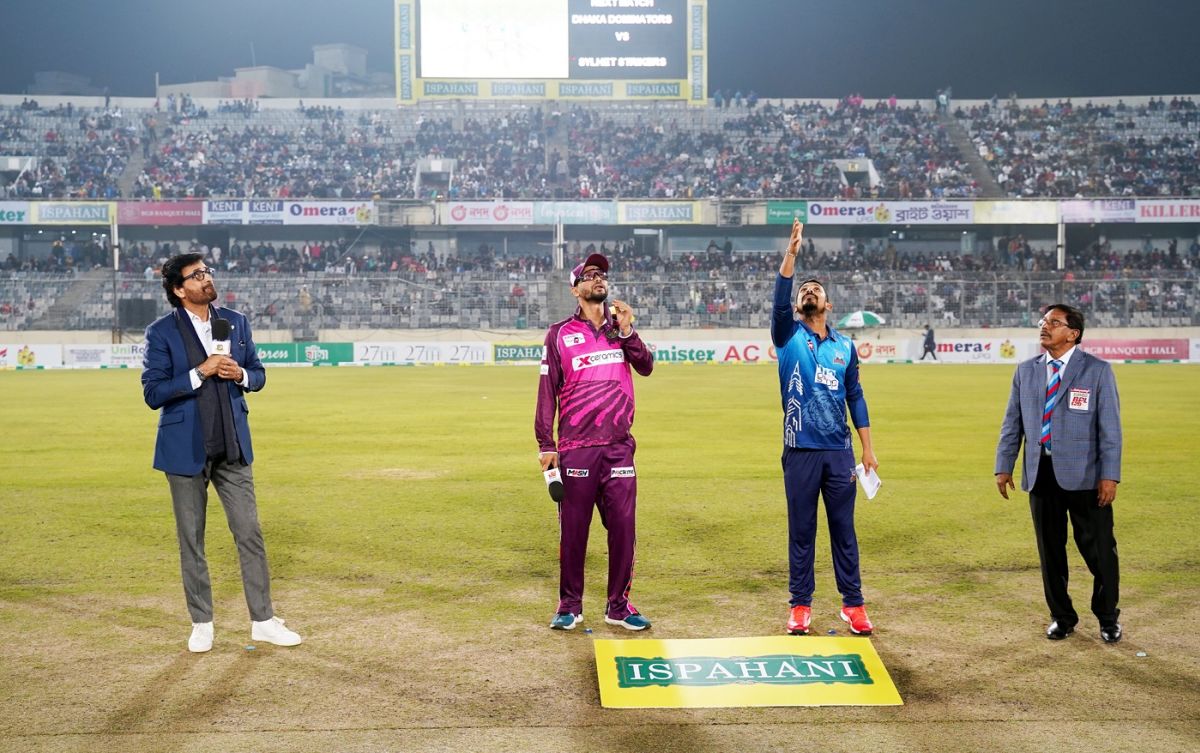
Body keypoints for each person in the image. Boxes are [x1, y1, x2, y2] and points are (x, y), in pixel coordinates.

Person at [141, 253, 301, 653]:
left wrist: (241, 374)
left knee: (250, 533)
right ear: (179, 289)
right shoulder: (161, 332)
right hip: (185, 450)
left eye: (207, 272)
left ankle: (263, 621)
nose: (206, 278)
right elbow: (153, 393)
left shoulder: (234, 321)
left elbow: (258, 374)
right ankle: (202, 623)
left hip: (232, 446)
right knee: (191, 540)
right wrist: (201, 371)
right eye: (196, 275)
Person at [535, 252, 655, 632]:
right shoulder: (559, 334)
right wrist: (546, 444)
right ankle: (570, 605)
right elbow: (547, 391)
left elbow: (646, 366)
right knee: (574, 532)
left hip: (619, 446)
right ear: (575, 290)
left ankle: (618, 606)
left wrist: (629, 332)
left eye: (601, 274)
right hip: (576, 448)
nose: (597, 278)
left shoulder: (620, 330)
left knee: (624, 529)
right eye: (588, 275)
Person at [770, 219, 878, 636]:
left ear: (828, 305)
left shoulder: (845, 347)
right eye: (804, 291)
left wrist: (867, 449)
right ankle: (800, 605)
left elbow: (856, 396)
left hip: (839, 452)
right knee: (802, 532)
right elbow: (780, 297)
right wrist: (792, 253)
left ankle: (853, 604)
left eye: (816, 289)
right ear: (798, 306)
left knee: (844, 531)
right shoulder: (787, 335)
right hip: (800, 449)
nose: (809, 291)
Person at [995, 304, 1123, 643]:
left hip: (1086, 477)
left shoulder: (1097, 371)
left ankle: (1107, 617)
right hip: (1041, 473)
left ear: (1073, 333)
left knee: (1100, 551)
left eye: (1054, 322)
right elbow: (1012, 423)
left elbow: (1110, 430)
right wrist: (1004, 465)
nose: (1045, 326)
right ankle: (1061, 616)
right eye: (1044, 321)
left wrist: (1109, 476)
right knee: (1050, 552)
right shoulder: (1026, 371)